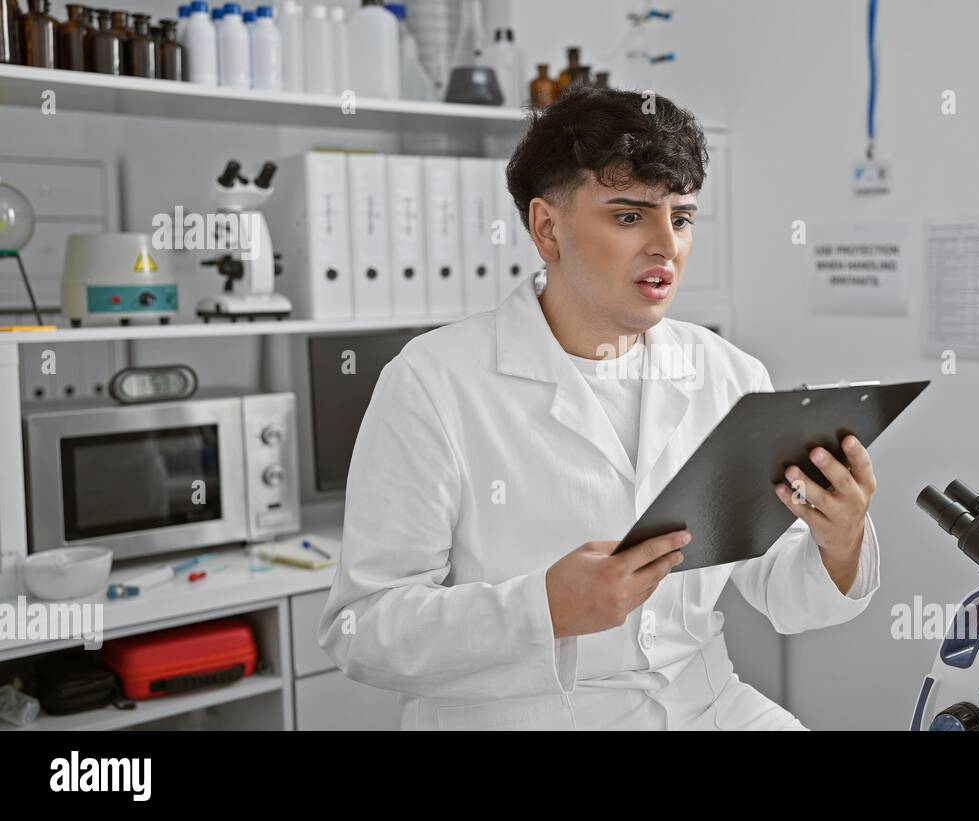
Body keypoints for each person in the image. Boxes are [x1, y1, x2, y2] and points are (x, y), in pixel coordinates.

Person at [318, 85, 882, 730]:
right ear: (546, 227)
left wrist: (837, 539)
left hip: (703, 707)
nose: (666, 245)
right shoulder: (432, 381)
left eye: (683, 217)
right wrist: (546, 608)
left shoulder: (728, 374)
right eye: (628, 216)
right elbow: (361, 630)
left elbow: (787, 597)